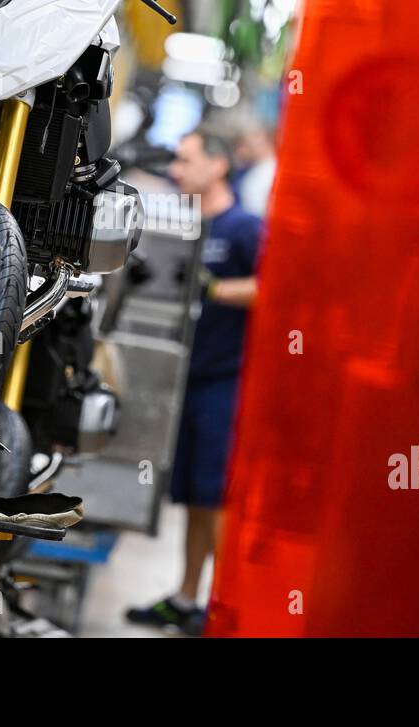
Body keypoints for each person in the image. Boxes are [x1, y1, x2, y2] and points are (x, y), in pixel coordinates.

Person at [127, 129, 262, 635]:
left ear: (219, 165)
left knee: (219, 497)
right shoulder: (185, 224)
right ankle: (188, 599)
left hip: (226, 386)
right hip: (186, 380)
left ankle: (231, 608)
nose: (177, 172)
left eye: (186, 161)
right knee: (196, 498)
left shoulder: (244, 227)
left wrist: (216, 288)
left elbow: (280, 286)